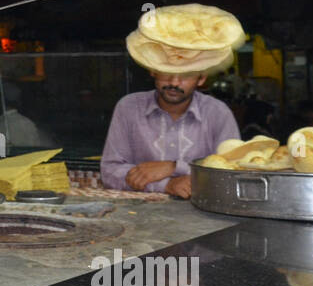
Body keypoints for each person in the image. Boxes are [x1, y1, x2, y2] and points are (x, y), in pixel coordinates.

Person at [100, 69, 240, 199]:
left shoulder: (218, 113)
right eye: (166, 72)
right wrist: (167, 185)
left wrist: (173, 167)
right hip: (139, 216)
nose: (174, 82)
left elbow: (232, 175)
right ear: (153, 71)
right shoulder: (129, 107)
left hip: (204, 218)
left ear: (201, 79)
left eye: (186, 75)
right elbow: (110, 172)